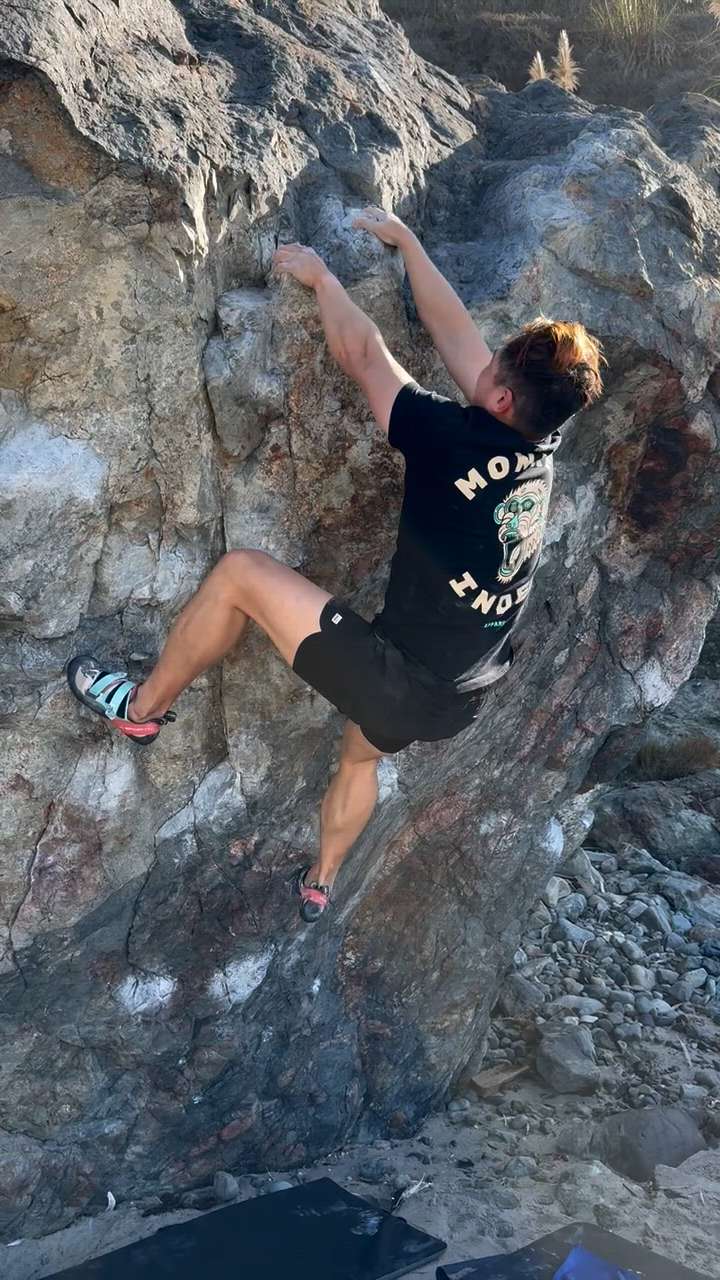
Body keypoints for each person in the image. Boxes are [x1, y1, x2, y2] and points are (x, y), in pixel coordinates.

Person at [67, 207, 605, 923]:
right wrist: (408, 243)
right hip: (460, 695)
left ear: (501, 397)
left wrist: (321, 278)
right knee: (361, 758)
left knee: (239, 574)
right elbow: (460, 344)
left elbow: (363, 355)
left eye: (495, 367)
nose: (483, 363)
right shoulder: (541, 444)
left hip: (396, 672)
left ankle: (139, 711)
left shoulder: (452, 439)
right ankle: (320, 882)